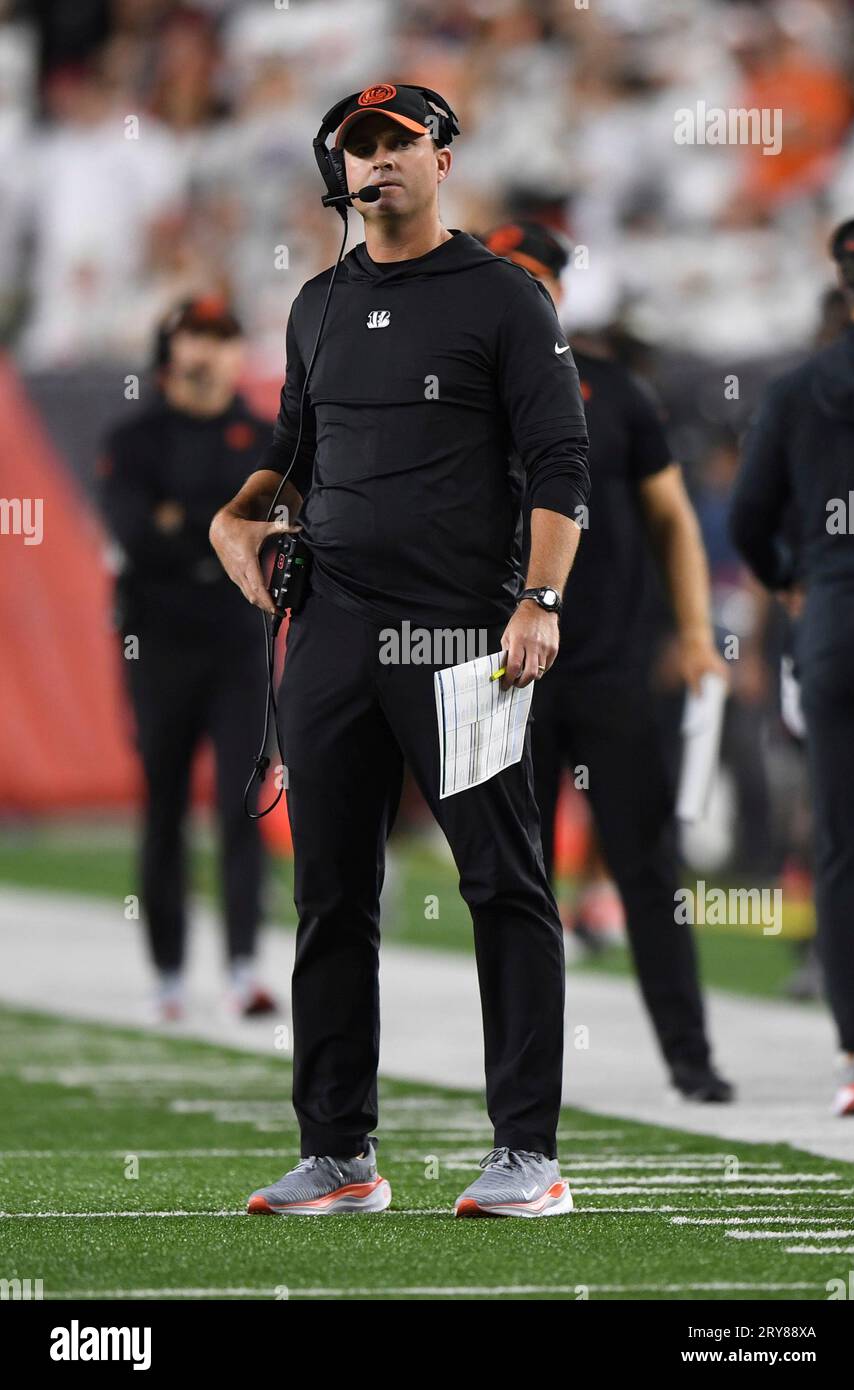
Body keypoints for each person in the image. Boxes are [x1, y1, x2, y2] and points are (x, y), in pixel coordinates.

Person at [209, 84, 590, 1217]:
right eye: (357, 147)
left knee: (501, 881)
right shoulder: (317, 303)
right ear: (340, 170)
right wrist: (242, 518)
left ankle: (527, 1150)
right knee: (330, 893)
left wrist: (540, 602)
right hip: (328, 631)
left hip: (463, 636)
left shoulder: (505, 298)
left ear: (440, 159)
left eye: (396, 143)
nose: (375, 162)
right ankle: (339, 1152)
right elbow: (292, 453)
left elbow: (561, 461)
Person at [482, 219, 734, 1103]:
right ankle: (521, 1088)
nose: (522, 291)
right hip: (506, 672)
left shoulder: (614, 391)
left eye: (534, 277)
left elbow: (673, 520)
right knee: (517, 882)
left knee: (648, 867)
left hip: (610, 669)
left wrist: (698, 633)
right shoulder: (461, 391)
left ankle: (691, 1057)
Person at [98, 297, 277, 1023]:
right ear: (171, 350)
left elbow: (272, 531)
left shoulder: (264, 436)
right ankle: (169, 972)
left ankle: (242, 966)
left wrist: (194, 520)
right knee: (165, 803)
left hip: (239, 636)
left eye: (222, 337)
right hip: (160, 641)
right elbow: (139, 534)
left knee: (244, 802)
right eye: (197, 337)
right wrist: (221, 529)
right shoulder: (137, 437)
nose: (209, 352)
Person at [730, 215, 854, 1116]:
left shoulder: (799, 387)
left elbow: (748, 519)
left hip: (838, 621)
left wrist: (792, 582)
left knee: (846, 845)